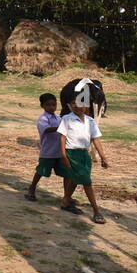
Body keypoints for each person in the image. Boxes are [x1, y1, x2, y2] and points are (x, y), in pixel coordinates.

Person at [57, 95, 110, 223]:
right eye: (73, 103)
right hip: (72, 153)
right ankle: (96, 211)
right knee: (87, 182)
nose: (76, 106)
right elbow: (62, 138)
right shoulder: (67, 119)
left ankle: (65, 201)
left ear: (86, 106)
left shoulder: (90, 121)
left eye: (80, 103)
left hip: (84, 155)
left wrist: (103, 157)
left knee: (75, 179)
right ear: (70, 105)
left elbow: (95, 139)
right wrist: (63, 155)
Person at [26, 93, 69, 201]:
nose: (51, 107)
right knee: (41, 171)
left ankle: (67, 195)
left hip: (60, 152)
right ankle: (32, 188)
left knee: (68, 174)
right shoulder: (43, 119)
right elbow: (47, 129)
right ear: (42, 106)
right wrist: (61, 127)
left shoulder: (59, 118)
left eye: (53, 105)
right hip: (48, 152)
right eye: (48, 105)